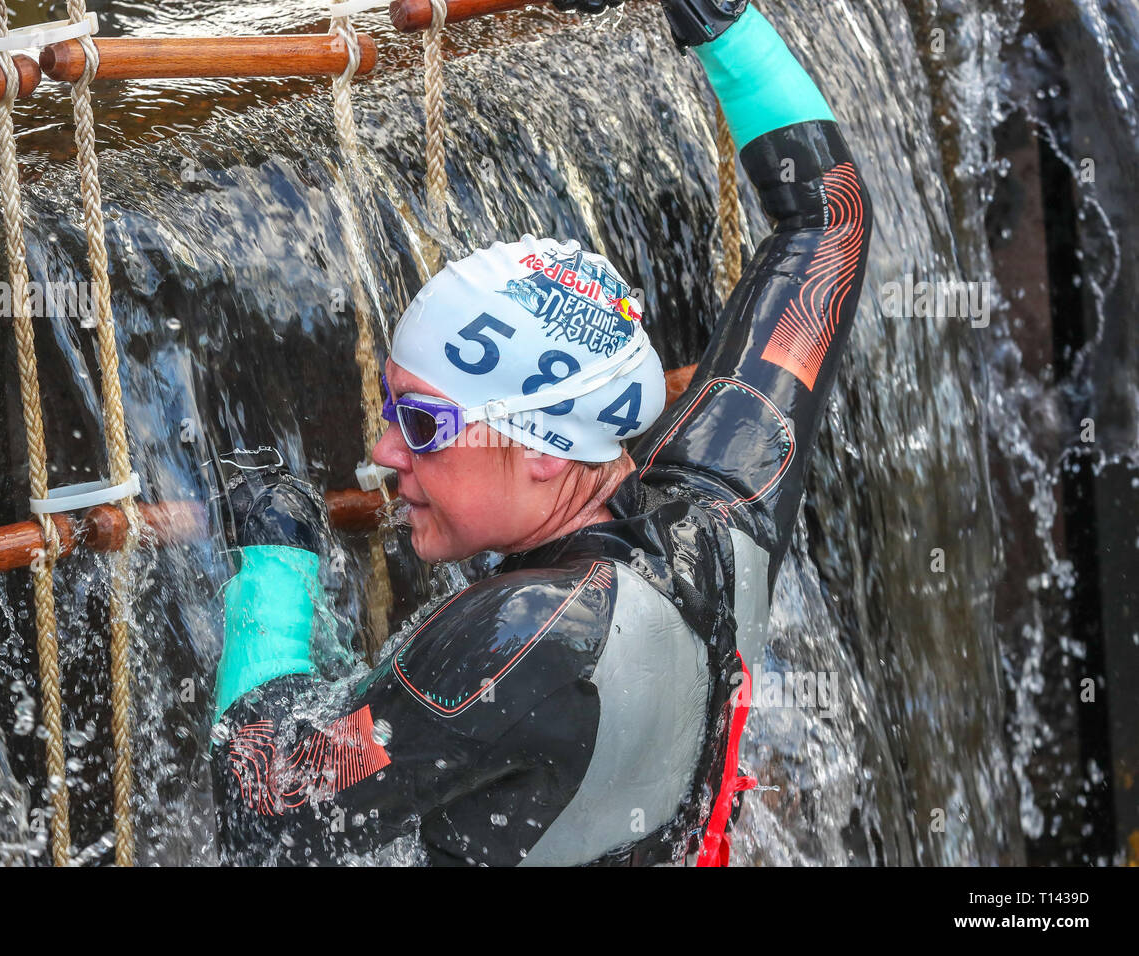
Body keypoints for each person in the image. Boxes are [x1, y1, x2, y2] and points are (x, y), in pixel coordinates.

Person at [209, 0, 872, 866]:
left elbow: (265, 804)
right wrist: (723, 22)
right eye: (390, 408)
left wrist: (276, 579)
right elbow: (828, 223)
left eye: (423, 425)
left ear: (545, 447)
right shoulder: (723, 502)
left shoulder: (514, 639)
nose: (382, 455)